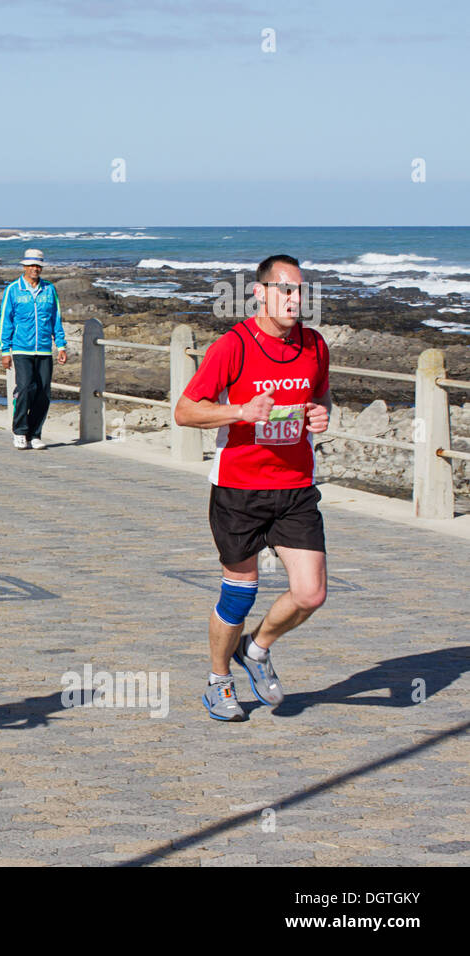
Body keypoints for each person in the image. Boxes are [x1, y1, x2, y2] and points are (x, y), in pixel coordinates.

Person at [174, 254, 331, 722]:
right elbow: (185, 412)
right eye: (285, 290)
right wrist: (240, 413)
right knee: (240, 592)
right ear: (260, 293)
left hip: (296, 485)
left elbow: (318, 396)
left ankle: (257, 649)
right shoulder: (233, 346)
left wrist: (321, 415)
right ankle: (218, 682)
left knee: (310, 594)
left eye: (301, 291)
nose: (295, 300)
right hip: (239, 488)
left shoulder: (314, 345)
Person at [0, 249, 67, 449]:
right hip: (21, 349)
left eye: (38, 266)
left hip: (44, 350)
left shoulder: (49, 289)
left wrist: (61, 346)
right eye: (31, 265)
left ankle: (35, 434)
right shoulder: (13, 289)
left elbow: (56, 319)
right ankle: (19, 431)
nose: (35, 269)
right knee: (26, 388)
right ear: (24, 267)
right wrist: (5, 350)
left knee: (43, 394)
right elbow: (6, 321)